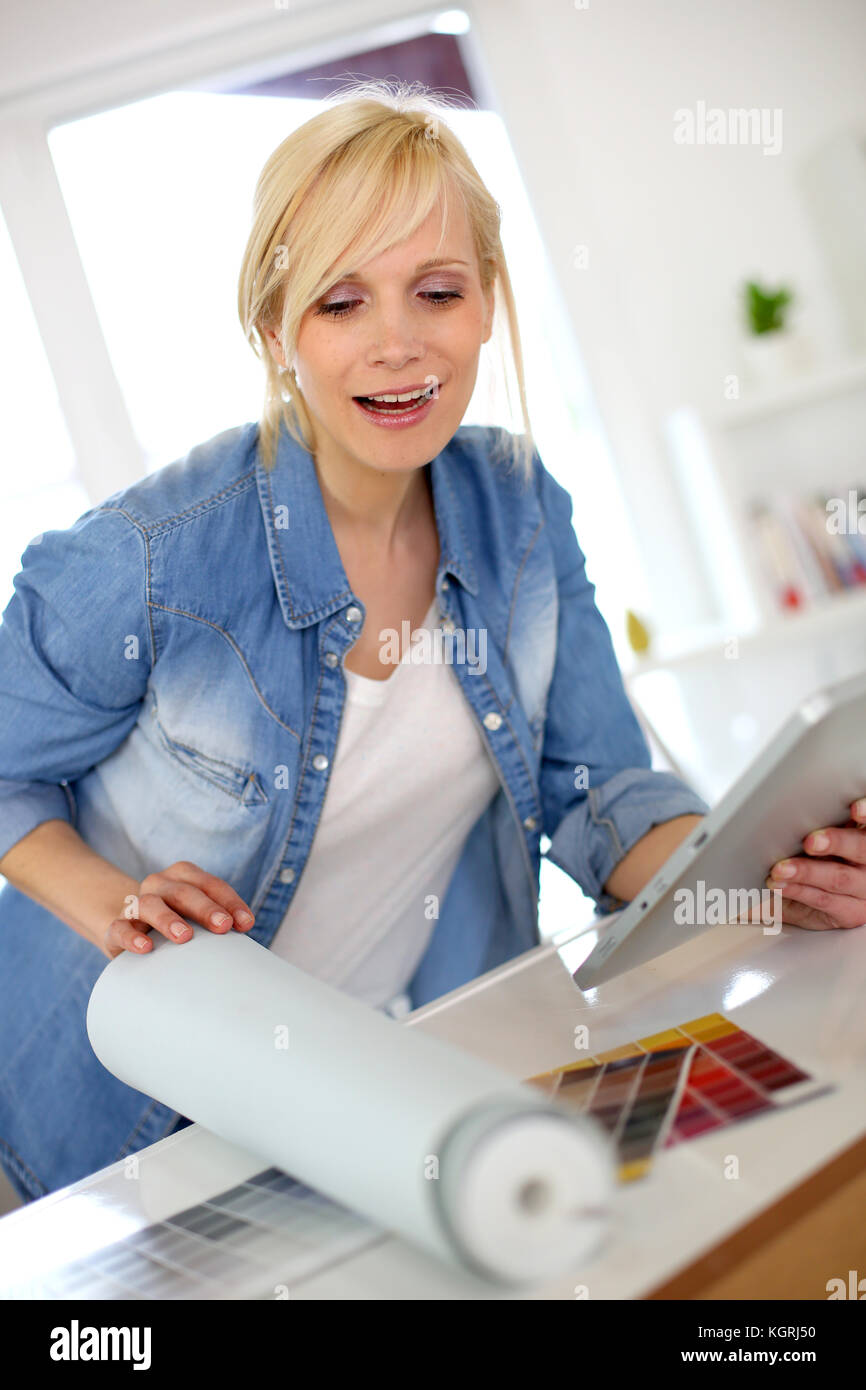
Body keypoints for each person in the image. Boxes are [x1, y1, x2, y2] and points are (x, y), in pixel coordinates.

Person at [1, 82, 863, 1206]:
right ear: (274, 329)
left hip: (357, 1099)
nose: (399, 345)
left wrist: (757, 882)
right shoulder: (157, 554)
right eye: (341, 302)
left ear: (487, 303)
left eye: (438, 291)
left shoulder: (516, 505)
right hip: (95, 1126)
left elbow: (596, 788)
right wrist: (108, 897)